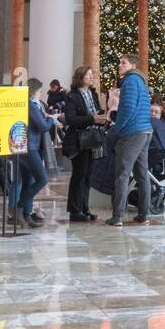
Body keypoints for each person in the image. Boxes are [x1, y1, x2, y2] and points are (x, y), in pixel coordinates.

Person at [108, 53, 153, 228]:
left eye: (123, 63)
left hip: (133, 132)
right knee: (142, 174)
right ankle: (144, 214)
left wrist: (116, 129)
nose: (120, 65)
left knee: (122, 174)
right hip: (145, 130)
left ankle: (117, 216)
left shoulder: (130, 81)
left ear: (133, 65)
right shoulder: (140, 81)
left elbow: (127, 108)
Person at [62, 65, 108, 223]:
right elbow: (71, 119)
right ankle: (75, 211)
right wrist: (92, 119)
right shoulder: (72, 96)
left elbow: (96, 113)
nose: (91, 77)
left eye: (91, 74)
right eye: (88, 75)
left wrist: (102, 118)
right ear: (80, 77)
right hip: (78, 140)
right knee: (79, 176)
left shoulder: (92, 93)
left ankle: (84, 208)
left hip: (92, 139)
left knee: (88, 176)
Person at [10, 79, 57, 228]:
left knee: (28, 182)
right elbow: (43, 127)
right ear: (34, 91)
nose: (41, 93)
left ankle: (26, 214)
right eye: (40, 91)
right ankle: (18, 207)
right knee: (42, 179)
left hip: (26, 146)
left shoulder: (31, 105)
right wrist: (52, 120)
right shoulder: (29, 105)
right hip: (29, 147)